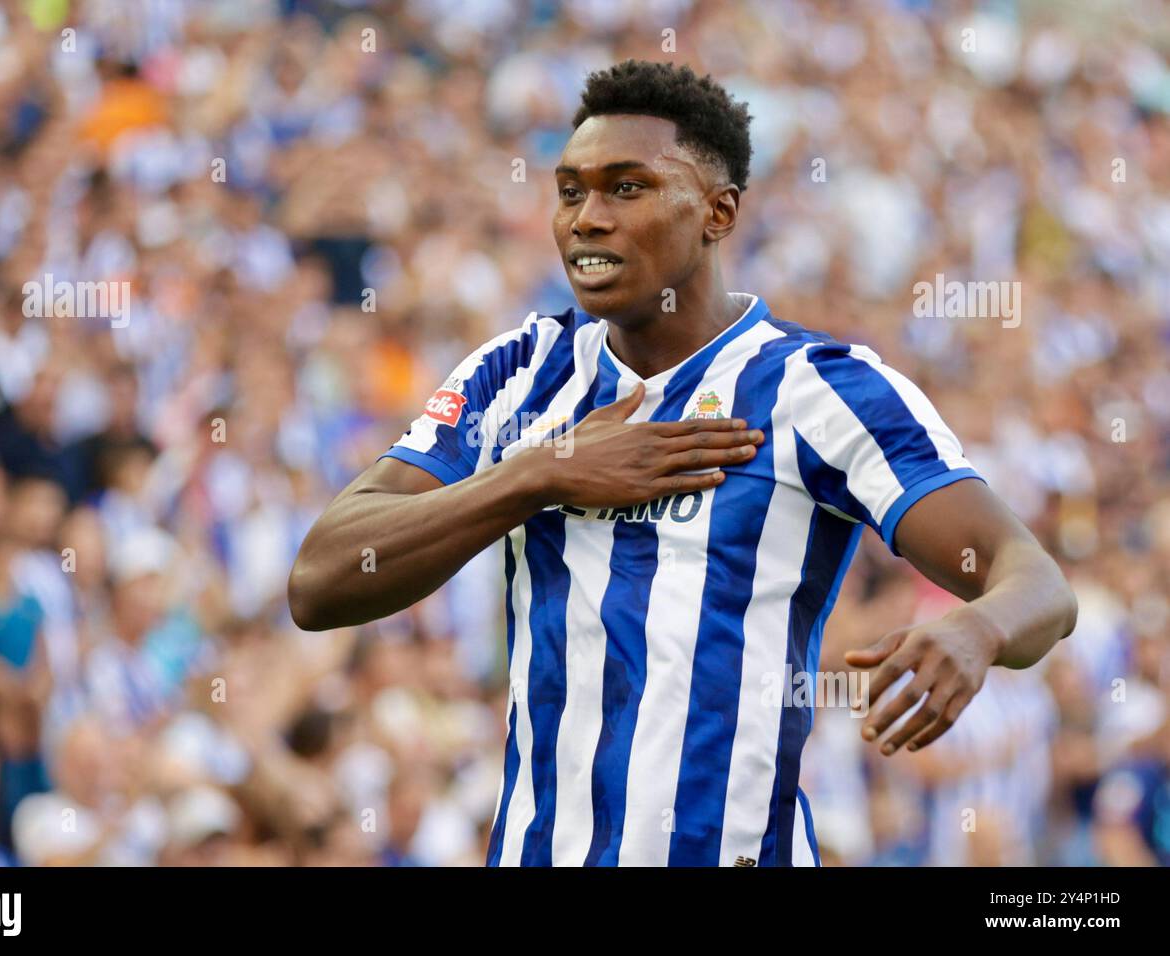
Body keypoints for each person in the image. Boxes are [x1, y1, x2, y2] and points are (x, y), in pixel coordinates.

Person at [287, 60, 1078, 867]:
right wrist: (541, 473)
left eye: (626, 188)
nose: (587, 219)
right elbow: (320, 581)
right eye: (570, 191)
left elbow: (1036, 582)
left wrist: (977, 630)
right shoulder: (518, 371)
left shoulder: (819, 389)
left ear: (717, 211)